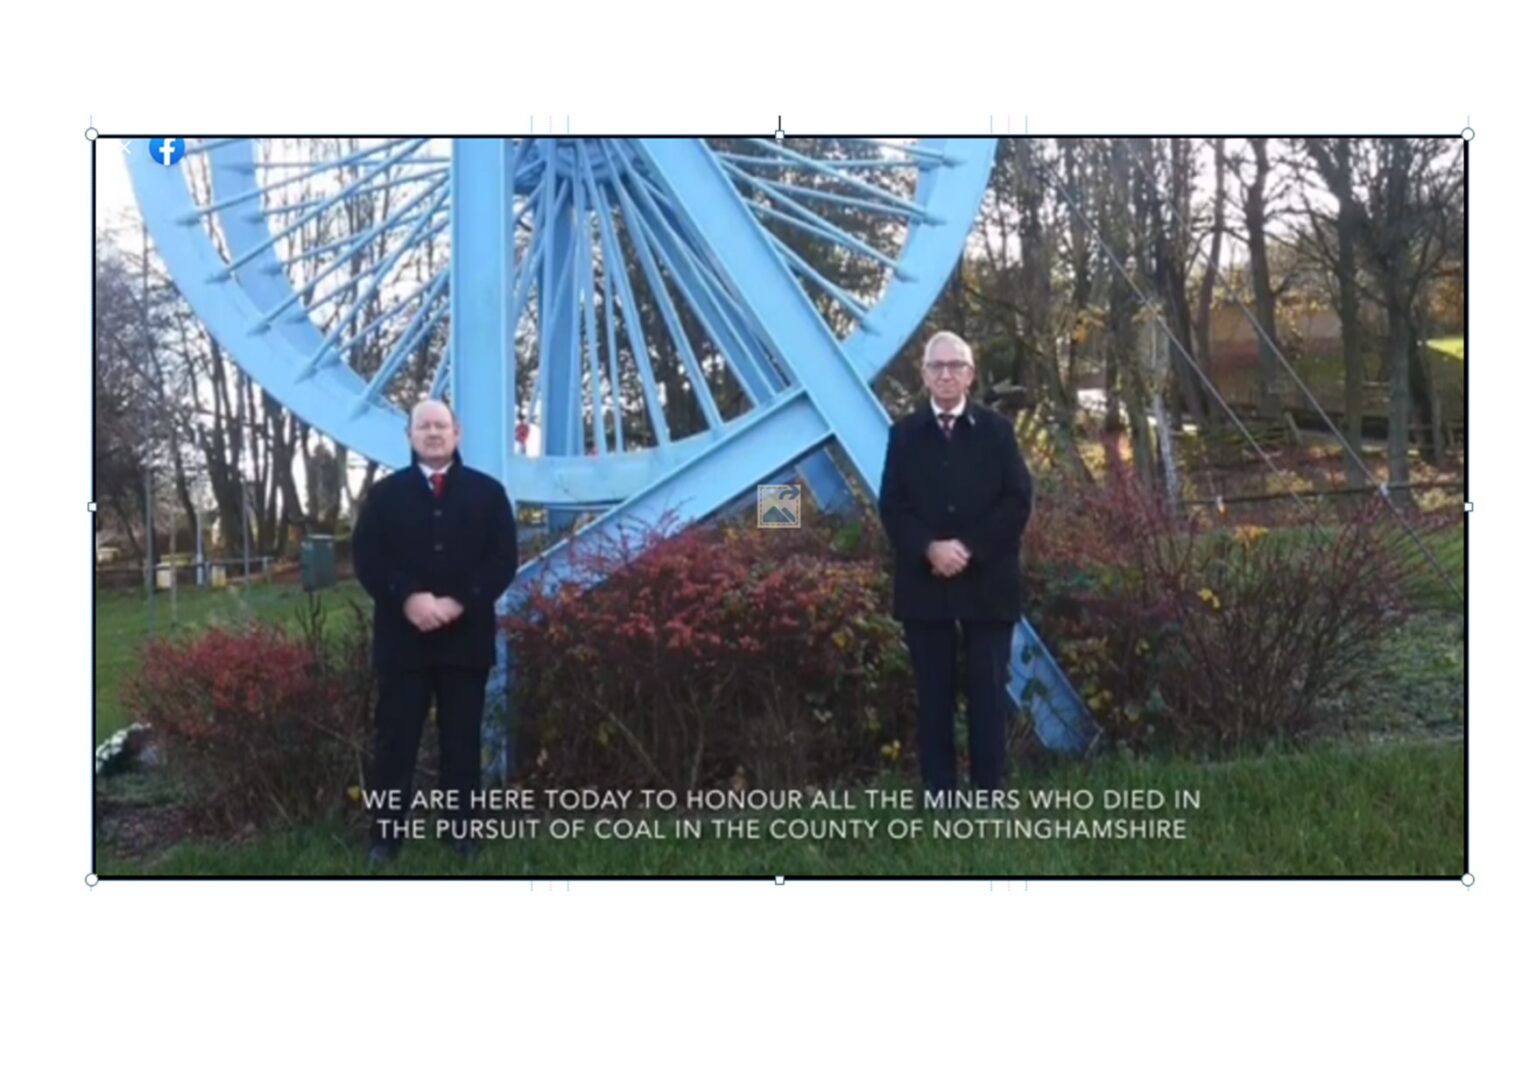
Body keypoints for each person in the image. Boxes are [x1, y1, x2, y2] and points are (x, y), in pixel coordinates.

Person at [351, 400, 519, 868]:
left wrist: (457, 601)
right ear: (409, 435)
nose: (432, 433)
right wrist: (408, 598)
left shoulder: (489, 495)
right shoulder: (384, 497)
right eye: (423, 426)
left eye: (440, 425)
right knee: (395, 742)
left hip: (465, 641)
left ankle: (462, 832)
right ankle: (385, 838)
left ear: (457, 433)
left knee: (462, 741)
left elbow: (502, 560)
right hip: (402, 642)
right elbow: (368, 558)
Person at [877, 331, 1033, 806]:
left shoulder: (998, 431)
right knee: (934, 693)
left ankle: (988, 794)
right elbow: (893, 506)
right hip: (925, 584)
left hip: (988, 582)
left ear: (970, 374)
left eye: (955, 366)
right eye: (936, 366)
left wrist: (967, 548)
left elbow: (1017, 500)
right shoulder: (903, 435)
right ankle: (941, 795)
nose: (946, 374)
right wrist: (929, 548)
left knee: (988, 691)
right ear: (924, 376)